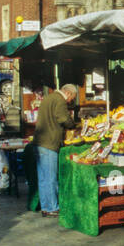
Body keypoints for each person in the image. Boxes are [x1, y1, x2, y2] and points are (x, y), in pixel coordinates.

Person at [32, 82, 77, 217]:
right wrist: (72, 124)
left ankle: (46, 206)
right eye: (72, 98)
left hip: (39, 142)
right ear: (68, 93)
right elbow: (63, 118)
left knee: (43, 177)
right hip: (49, 143)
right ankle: (52, 207)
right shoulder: (60, 100)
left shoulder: (49, 97)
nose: (71, 101)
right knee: (51, 178)